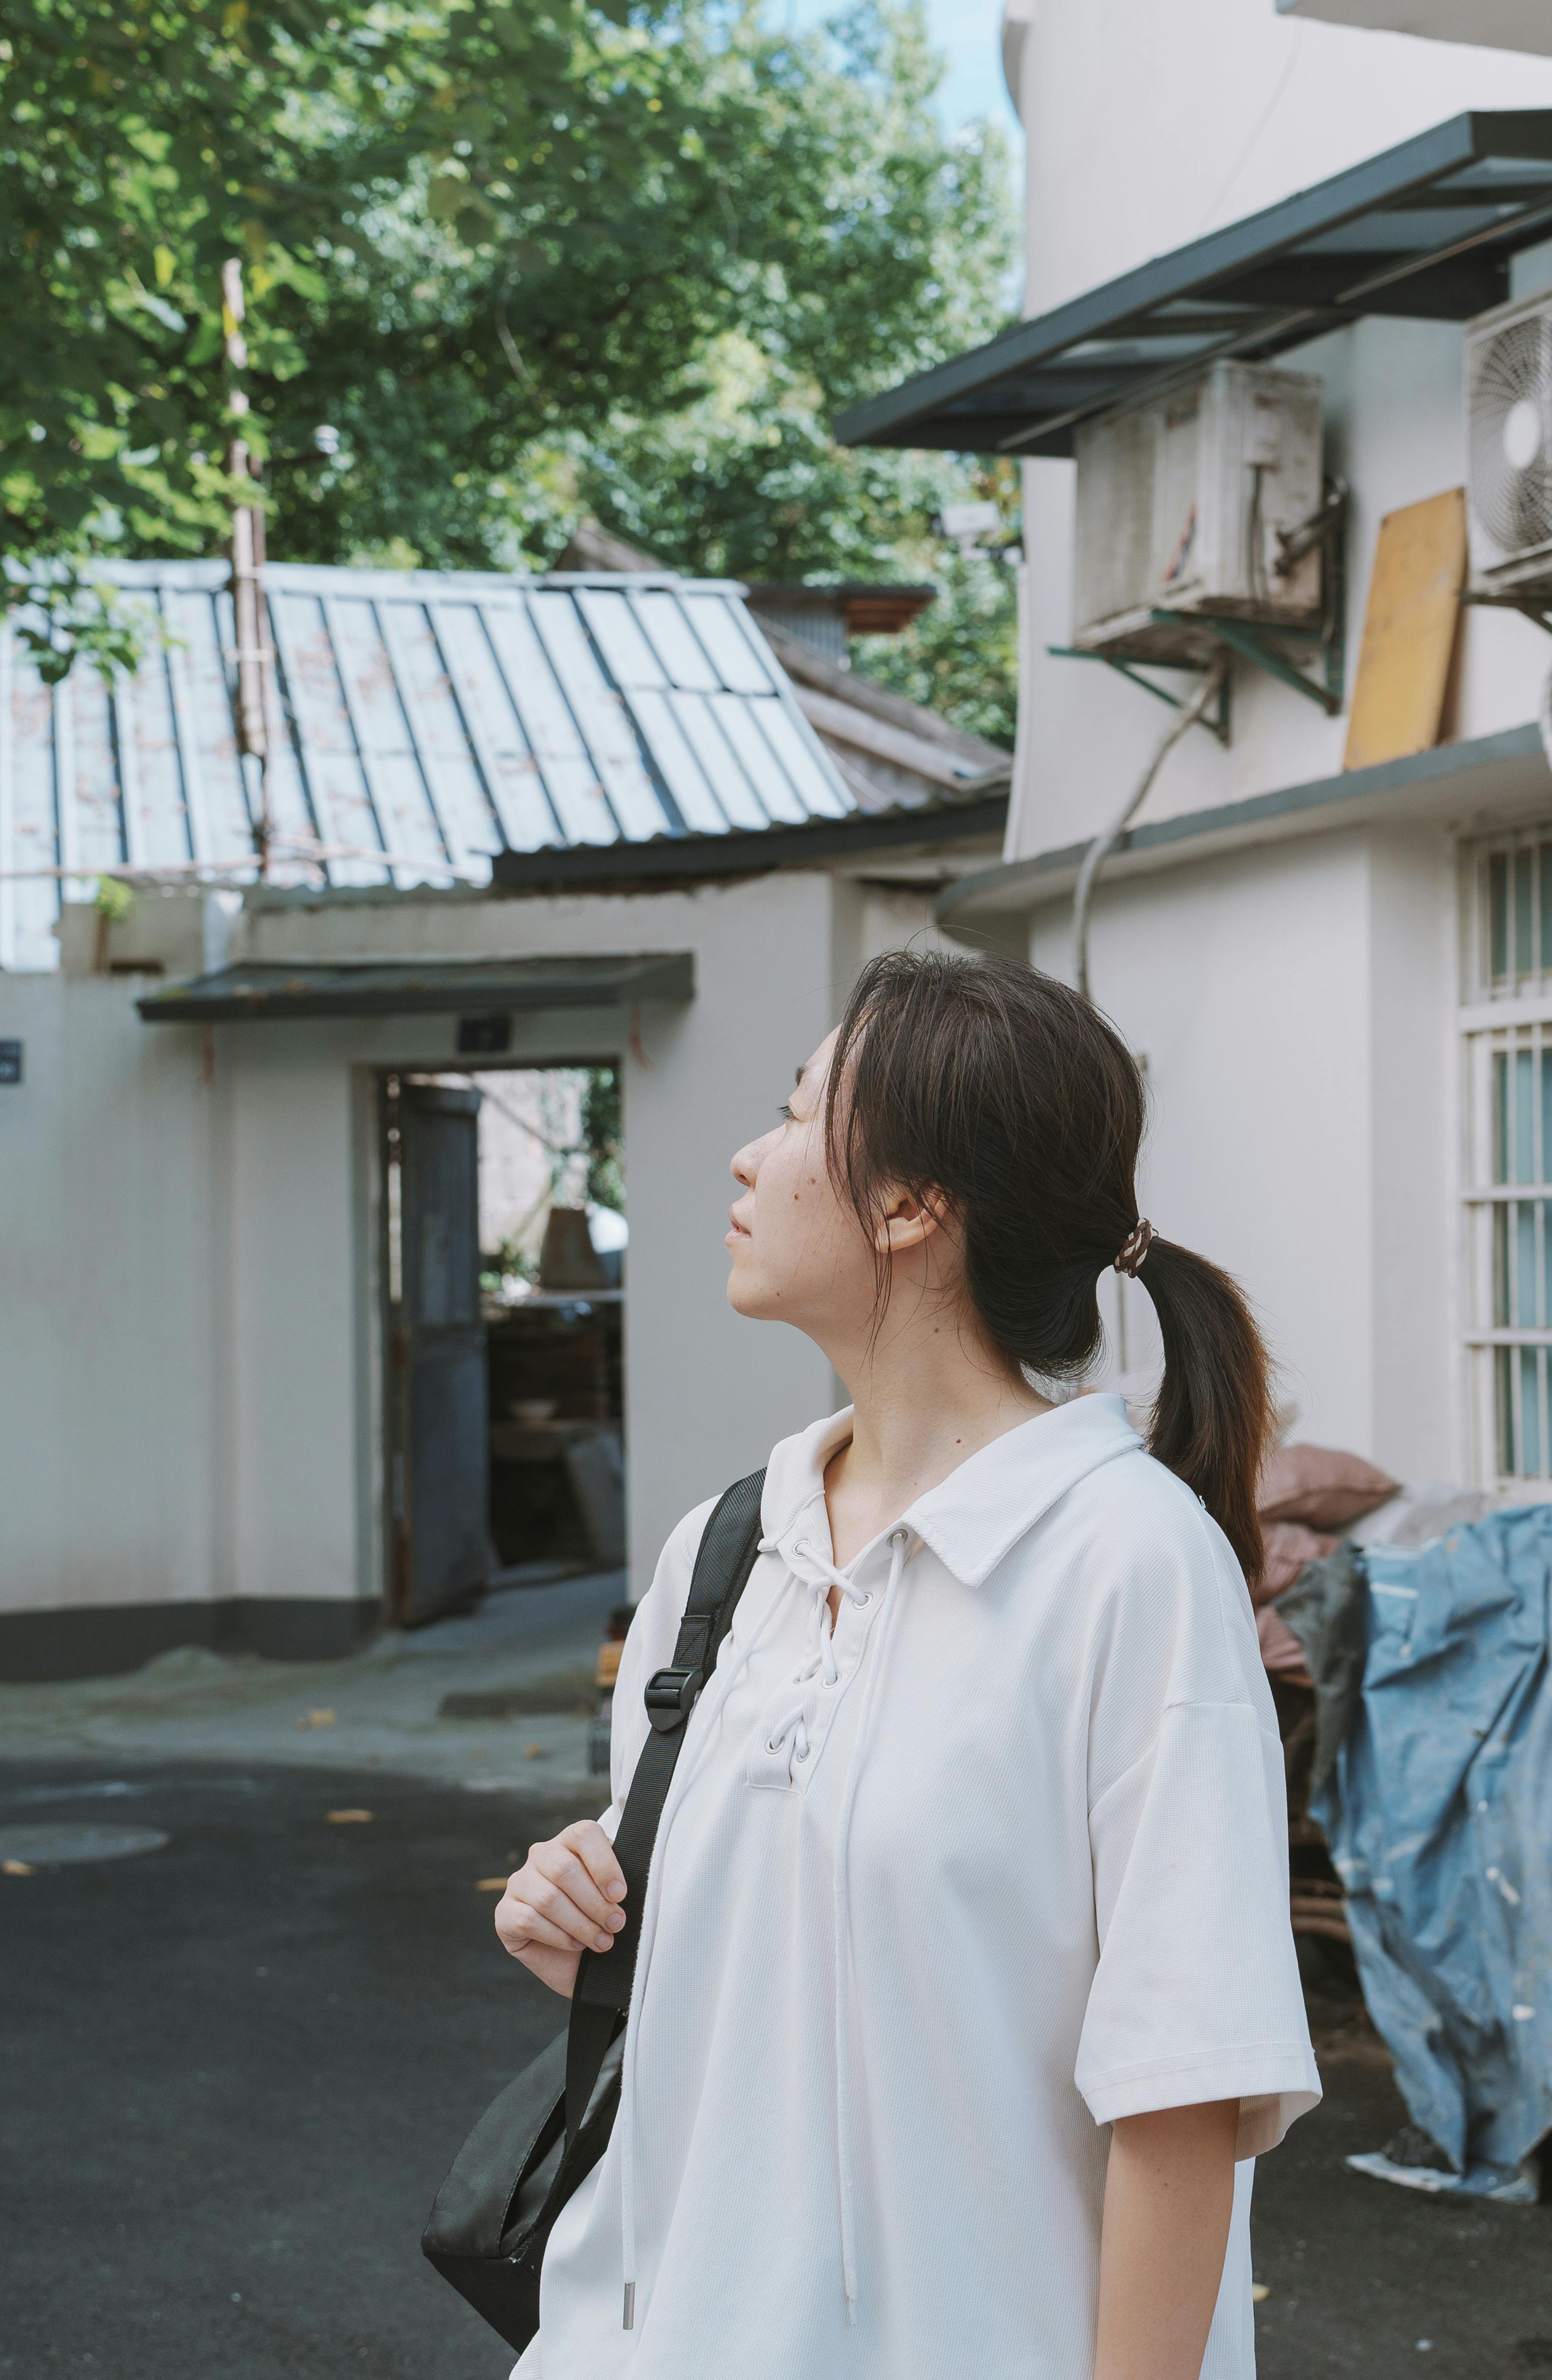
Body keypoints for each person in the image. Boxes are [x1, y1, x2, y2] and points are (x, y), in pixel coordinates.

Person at [493, 951, 1319, 2379]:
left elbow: (1183, 2098)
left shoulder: (1125, 1564)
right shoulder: (723, 1552)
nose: (746, 1160)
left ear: (912, 1202)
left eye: (796, 1113)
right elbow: (778, 2007)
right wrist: (588, 1936)